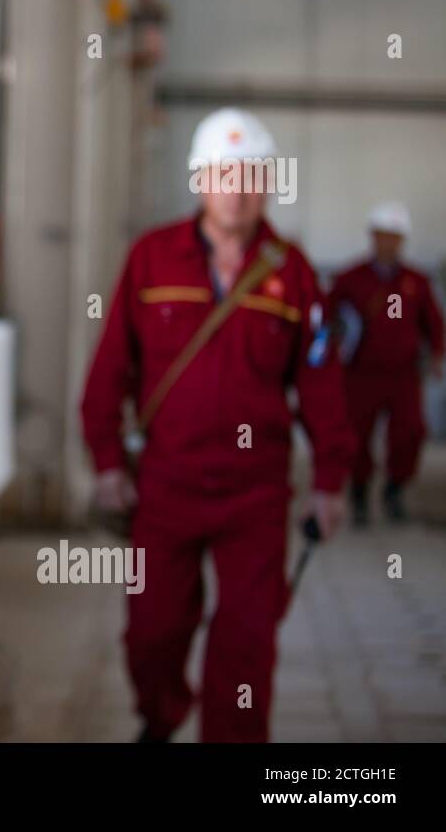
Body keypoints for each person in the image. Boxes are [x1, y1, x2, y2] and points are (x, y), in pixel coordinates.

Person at [79, 107, 353, 743]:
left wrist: (331, 481)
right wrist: (108, 463)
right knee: (153, 632)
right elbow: (110, 370)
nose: (240, 189)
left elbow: (321, 384)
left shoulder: (293, 273)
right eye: (226, 174)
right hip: (167, 487)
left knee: (247, 643)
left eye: (253, 175)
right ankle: (161, 714)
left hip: (255, 494)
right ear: (200, 180)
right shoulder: (152, 260)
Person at [329, 202, 445, 525]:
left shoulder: (415, 281)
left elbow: (433, 322)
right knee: (355, 435)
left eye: (394, 236)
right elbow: (328, 318)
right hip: (360, 375)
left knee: (410, 432)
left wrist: (436, 353)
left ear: (402, 240)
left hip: (403, 375)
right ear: (372, 237)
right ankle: (360, 491)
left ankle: (394, 489)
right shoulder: (351, 278)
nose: (387, 243)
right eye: (382, 235)